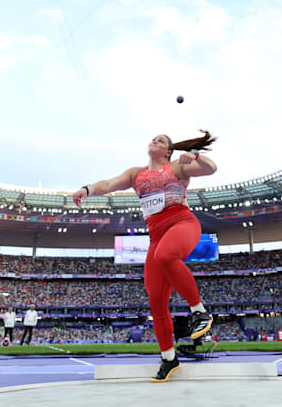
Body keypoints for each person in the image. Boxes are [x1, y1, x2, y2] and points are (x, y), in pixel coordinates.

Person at [72, 130, 217, 382]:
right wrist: (87, 189)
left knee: (166, 255)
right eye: (153, 138)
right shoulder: (135, 174)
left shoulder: (177, 166)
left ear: (168, 151)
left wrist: (195, 156)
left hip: (182, 224)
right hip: (156, 237)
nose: (154, 141)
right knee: (156, 301)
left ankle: (200, 312)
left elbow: (211, 168)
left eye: (160, 140)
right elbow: (108, 185)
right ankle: (169, 359)